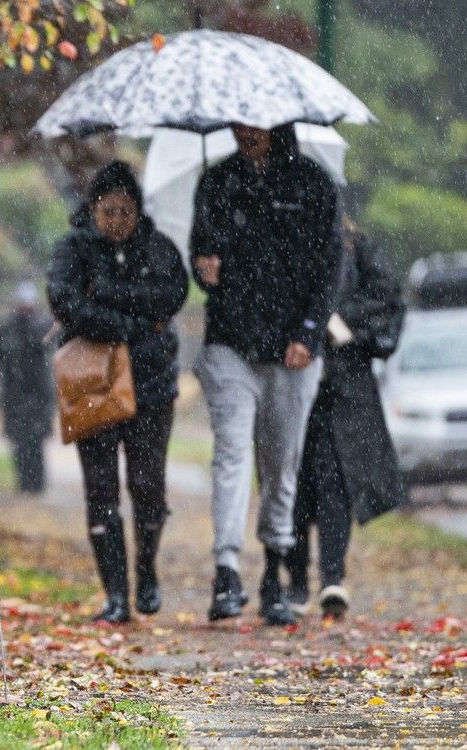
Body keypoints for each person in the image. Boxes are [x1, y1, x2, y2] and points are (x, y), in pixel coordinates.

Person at [190, 123, 343, 626]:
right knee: (231, 453)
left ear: (277, 126)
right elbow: (202, 251)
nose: (244, 133)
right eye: (237, 124)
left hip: (291, 350)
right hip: (231, 343)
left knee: (281, 465)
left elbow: (330, 269)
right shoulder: (217, 180)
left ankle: (275, 569)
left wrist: (309, 332)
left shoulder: (313, 185)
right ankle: (227, 568)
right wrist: (203, 265)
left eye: (254, 125)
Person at [47, 161, 188, 623]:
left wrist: (107, 294)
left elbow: (172, 294)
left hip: (151, 386)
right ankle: (115, 593)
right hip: (93, 384)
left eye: (126, 212)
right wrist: (129, 324)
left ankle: (146, 569)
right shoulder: (73, 249)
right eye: (108, 211)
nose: (117, 221)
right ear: (92, 210)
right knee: (101, 490)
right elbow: (66, 302)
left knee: (148, 484)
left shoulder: (159, 248)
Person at [284, 223, 407, 619]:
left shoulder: (356, 247)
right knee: (294, 483)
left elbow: (387, 296)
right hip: (292, 380)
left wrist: (340, 322)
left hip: (344, 389)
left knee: (334, 480)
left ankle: (331, 577)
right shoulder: (287, 240)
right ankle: (297, 579)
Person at [0, 282, 55, 493]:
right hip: (14, 396)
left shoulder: (43, 327)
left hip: (38, 396)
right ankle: (24, 483)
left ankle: (36, 485)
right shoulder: (6, 330)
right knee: (20, 442)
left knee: (36, 442)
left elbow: (51, 345)